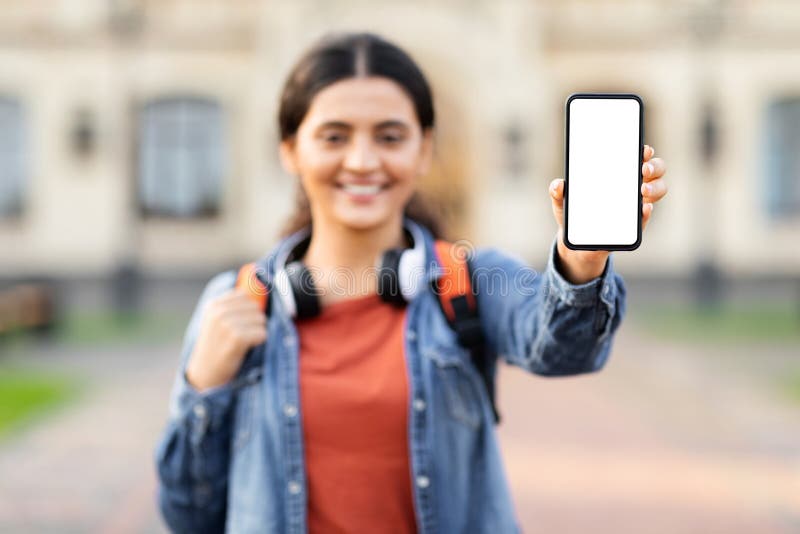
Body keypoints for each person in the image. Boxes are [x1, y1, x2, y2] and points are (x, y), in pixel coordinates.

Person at [154, 32, 668, 534]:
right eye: (334, 136)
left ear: (424, 150)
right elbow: (188, 515)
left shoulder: (473, 281)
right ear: (291, 150)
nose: (362, 161)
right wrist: (203, 387)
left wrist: (581, 260)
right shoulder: (234, 305)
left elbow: (566, 351)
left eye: (390, 136)